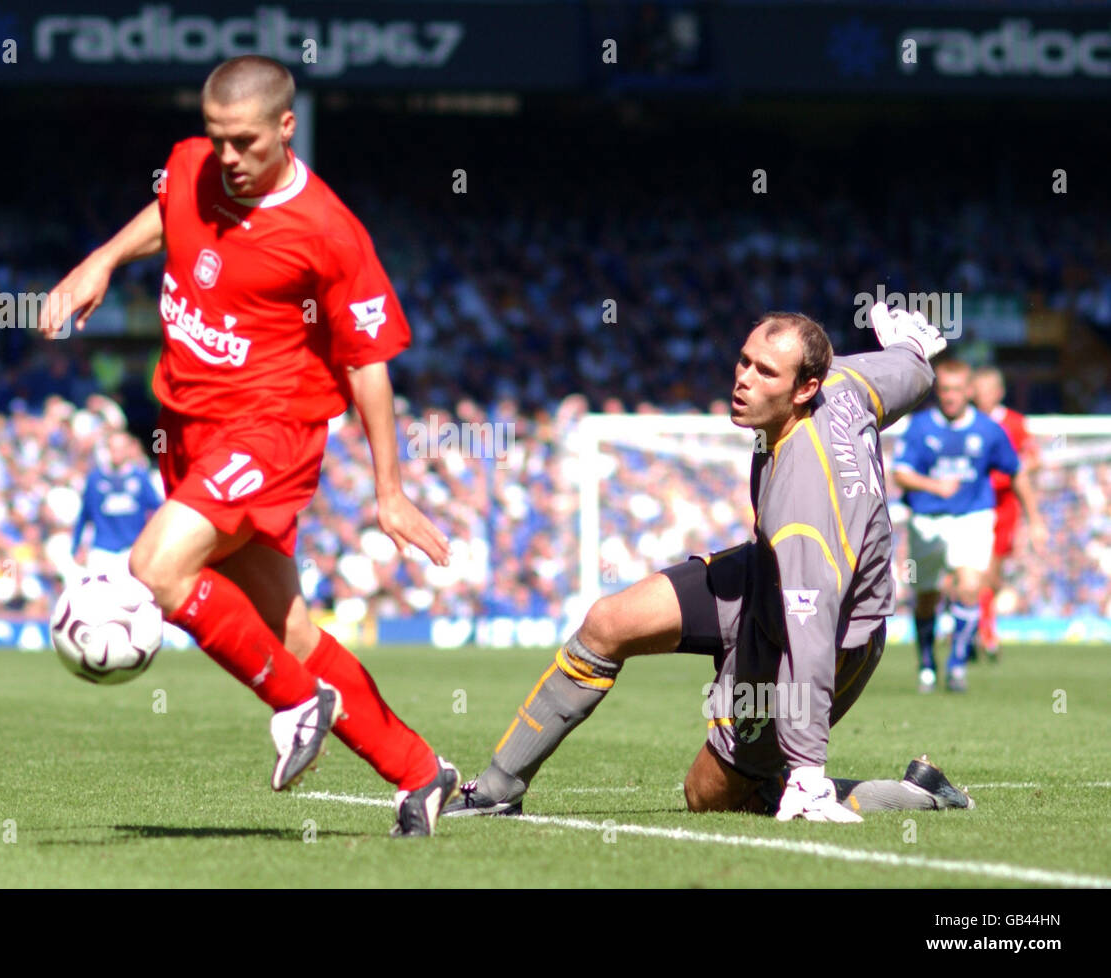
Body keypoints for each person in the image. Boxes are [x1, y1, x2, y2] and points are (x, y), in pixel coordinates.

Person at [41, 55, 458, 836]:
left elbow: (368, 367)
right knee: (290, 632)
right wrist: (101, 260)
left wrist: (390, 488)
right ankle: (419, 771)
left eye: (243, 141)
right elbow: (171, 210)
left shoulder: (329, 233)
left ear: (285, 128)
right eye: (216, 137)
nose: (226, 156)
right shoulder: (192, 165)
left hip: (272, 430)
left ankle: (297, 701)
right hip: (190, 430)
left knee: (156, 568)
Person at [447, 304, 972, 823]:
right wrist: (911, 346)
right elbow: (909, 372)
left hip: (823, 635)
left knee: (708, 796)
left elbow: (809, 641)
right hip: (762, 574)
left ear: (805, 389)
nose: (743, 379)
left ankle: (912, 793)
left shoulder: (803, 503)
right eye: (744, 361)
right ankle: (497, 789)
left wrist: (809, 769)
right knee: (609, 623)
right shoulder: (847, 383)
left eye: (766, 372)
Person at [893, 360, 1019, 693]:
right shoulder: (920, 427)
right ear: (938, 391)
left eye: (957, 389)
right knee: (926, 597)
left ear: (969, 391)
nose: (950, 396)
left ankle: (957, 663)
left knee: (969, 585)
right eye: (944, 389)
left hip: (973, 517)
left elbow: (1014, 469)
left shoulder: (989, 430)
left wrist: (1034, 520)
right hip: (928, 521)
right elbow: (900, 473)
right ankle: (926, 665)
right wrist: (936, 487)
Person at [970, 366, 1046, 659]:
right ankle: (979, 629)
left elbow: (1034, 458)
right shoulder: (969, 421)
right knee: (971, 570)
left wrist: (1011, 474)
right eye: (979, 389)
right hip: (971, 504)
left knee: (992, 572)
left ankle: (981, 628)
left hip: (1003, 506)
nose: (983, 395)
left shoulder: (1013, 423)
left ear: (999, 392)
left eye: (989, 390)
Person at [71, 430, 164, 582]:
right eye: (113, 448)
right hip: (103, 551)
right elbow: (84, 516)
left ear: (128, 449)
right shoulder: (95, 479)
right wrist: (76, 547)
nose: (117, 453)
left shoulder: (140, 477)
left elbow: (157, 510)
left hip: (131, 550)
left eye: (121, 448)